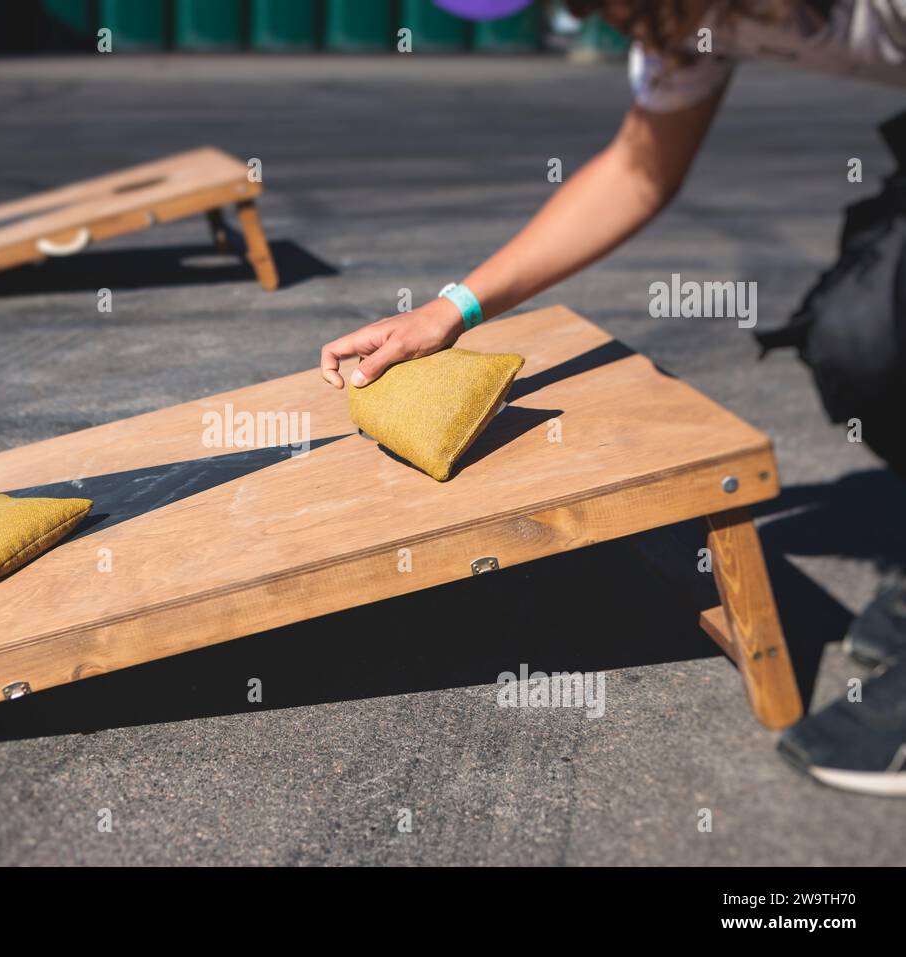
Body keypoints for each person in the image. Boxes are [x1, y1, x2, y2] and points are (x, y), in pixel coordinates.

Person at [319, 0, 906, 794]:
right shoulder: (679, 16)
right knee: (862, 341)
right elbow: (639, 168)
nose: (590, 14)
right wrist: (445, 312)